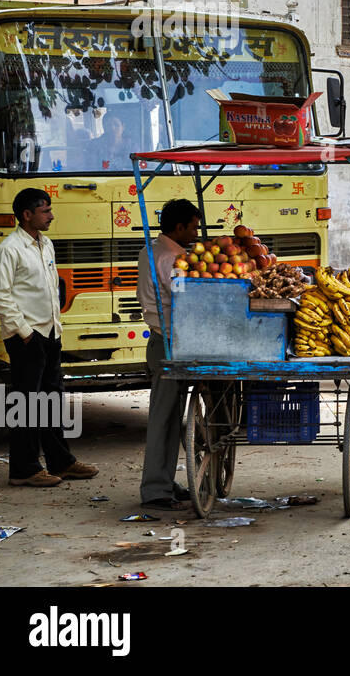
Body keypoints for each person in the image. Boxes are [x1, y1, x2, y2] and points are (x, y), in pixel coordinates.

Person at [0, 189, 97, 487]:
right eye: (45, 210)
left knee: (52, 399)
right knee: (26, 403)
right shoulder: (8, 249)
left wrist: (54, 328)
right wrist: (25, 334)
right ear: (27, 215)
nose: (51, 215)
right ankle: (23, 470)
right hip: (26, 336)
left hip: (50, 333)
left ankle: (61, 462)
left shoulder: (46, 244)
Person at [137, 199, 201, 510]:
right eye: (192, 227)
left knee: (172, 418)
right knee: (163, 418)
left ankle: (164, 481)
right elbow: (187, 298)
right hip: (167, 343)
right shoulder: (170, 258)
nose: (196, 233)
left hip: (164, 341)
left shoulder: (153, 249)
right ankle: (154, 489)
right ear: (178, 228)